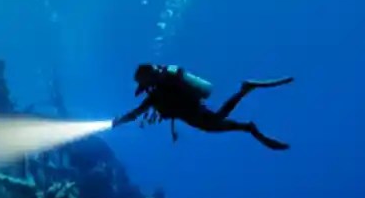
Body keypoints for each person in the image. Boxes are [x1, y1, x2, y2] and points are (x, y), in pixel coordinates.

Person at [112, 64, 293, 150]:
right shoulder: (159, 91)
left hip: (194, 113)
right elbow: (142, 112)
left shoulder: (156, 95)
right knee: (215, 124)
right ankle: (249, 126)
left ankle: (245, 91)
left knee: (216, 121)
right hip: (193, 113)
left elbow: (136, 113)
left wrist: (119, 121)